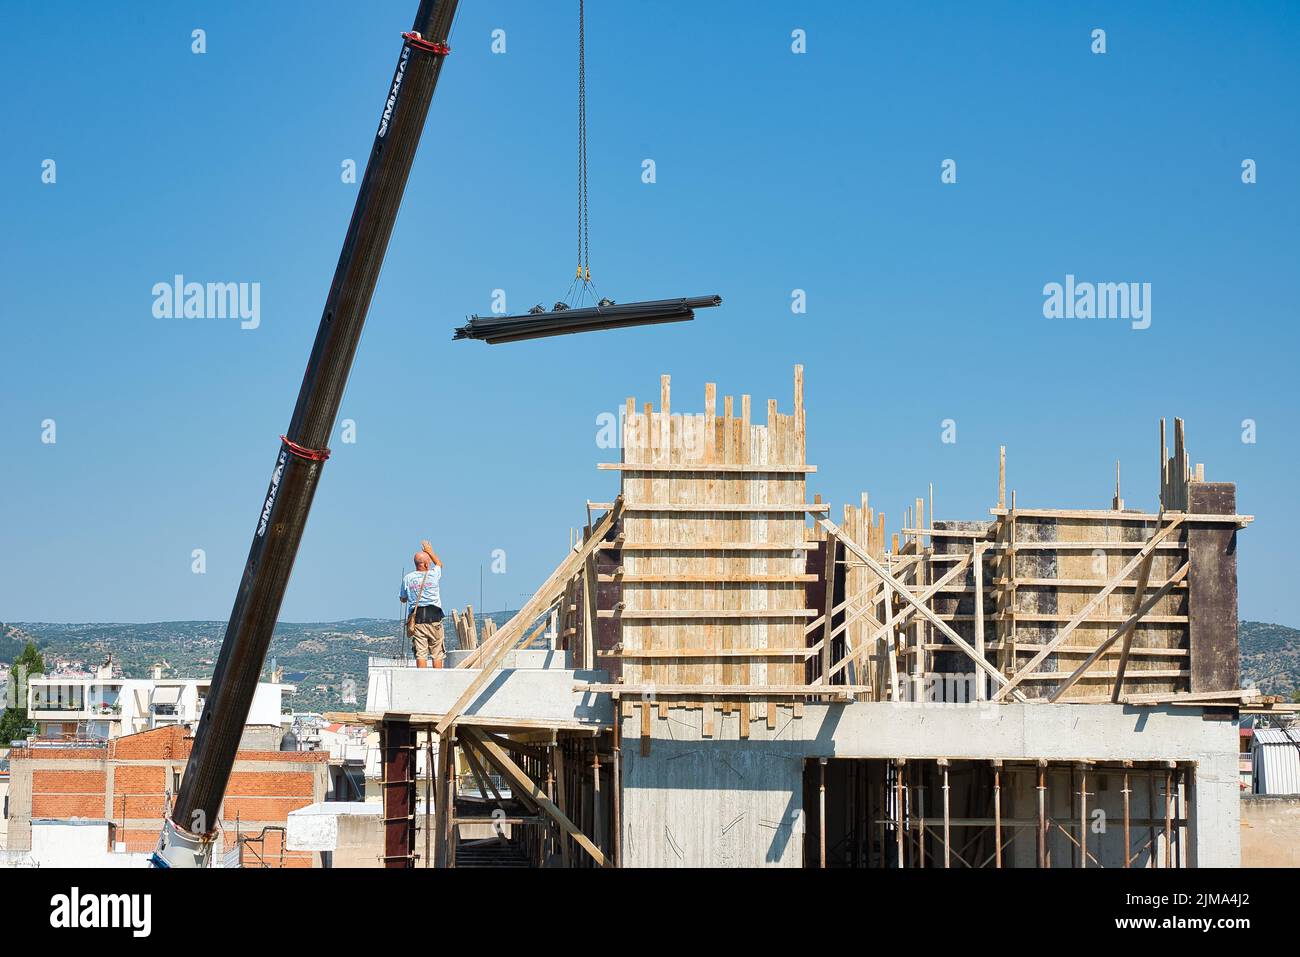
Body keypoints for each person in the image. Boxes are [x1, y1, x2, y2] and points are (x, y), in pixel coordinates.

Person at [400, 540, 445, 668]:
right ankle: (437, 679)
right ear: (425, 564)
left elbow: (403, 598)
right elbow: (439, 564)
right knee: (437, 652)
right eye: (428, 562)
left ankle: (422, 680)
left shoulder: (408, 578)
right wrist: (430, 551)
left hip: (418, 619)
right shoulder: (433, 575)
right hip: (435, 618)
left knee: (421, 653)